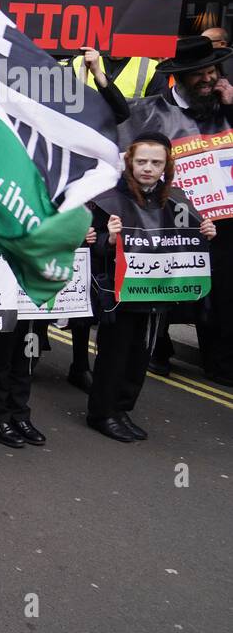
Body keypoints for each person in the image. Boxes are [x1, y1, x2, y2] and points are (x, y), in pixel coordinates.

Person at [85, 132, 216, 441]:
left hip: (157, 294)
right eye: (141, 161)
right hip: (121, 297)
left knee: (140, 356)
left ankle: (121, 409)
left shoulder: (176, 200)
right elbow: (91, 247)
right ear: (129, 162)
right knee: (114, 355)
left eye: (155, 163)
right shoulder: (108, 199)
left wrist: (205, 233)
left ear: (166, 166)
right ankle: (102, 413)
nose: (148, 168)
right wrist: (110, 239)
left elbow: (186, 243)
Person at [121, 36, 233, 383]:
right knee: (171, 284)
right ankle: (159, 350)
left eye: (212, 71)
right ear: (181, 76)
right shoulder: (153, 110)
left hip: (223, 219)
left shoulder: (224, 105)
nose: (208, 79)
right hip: (171, 217)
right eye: (199, 74)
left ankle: (221, 362)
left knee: (224, 291)